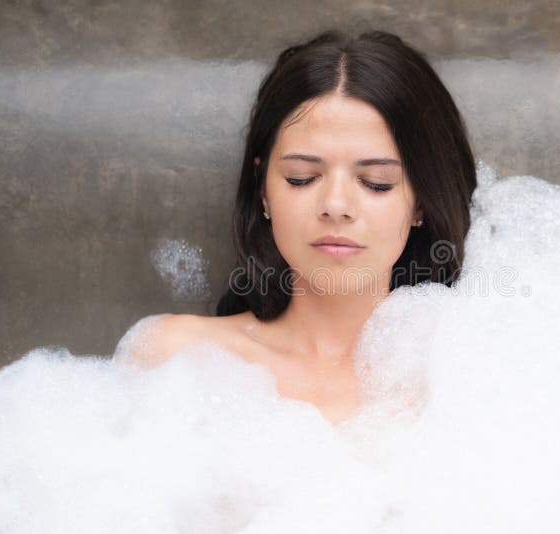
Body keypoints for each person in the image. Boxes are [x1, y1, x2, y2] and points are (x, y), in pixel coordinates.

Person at [118, 28, 477, 426]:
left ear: (421, 203)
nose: (336, 206)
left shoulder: (468, 377)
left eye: (376, 182)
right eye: (302, 177)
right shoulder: (178, 361)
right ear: (263, 190)